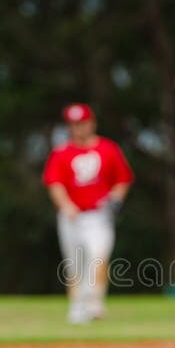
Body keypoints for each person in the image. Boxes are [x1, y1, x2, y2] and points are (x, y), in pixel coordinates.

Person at [42, 103, 134, 323]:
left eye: (81, 123)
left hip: (98, 216)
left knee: (98, 257)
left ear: (91, 123)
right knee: (75, 263)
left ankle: (94, 304)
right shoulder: (61, 152)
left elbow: (122, 179)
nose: (78, 129)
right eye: (73, 125)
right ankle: (76, 307)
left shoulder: (108, 148)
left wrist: (114, 199)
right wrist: (65, 205)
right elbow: (54, 183)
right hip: (71, 217)